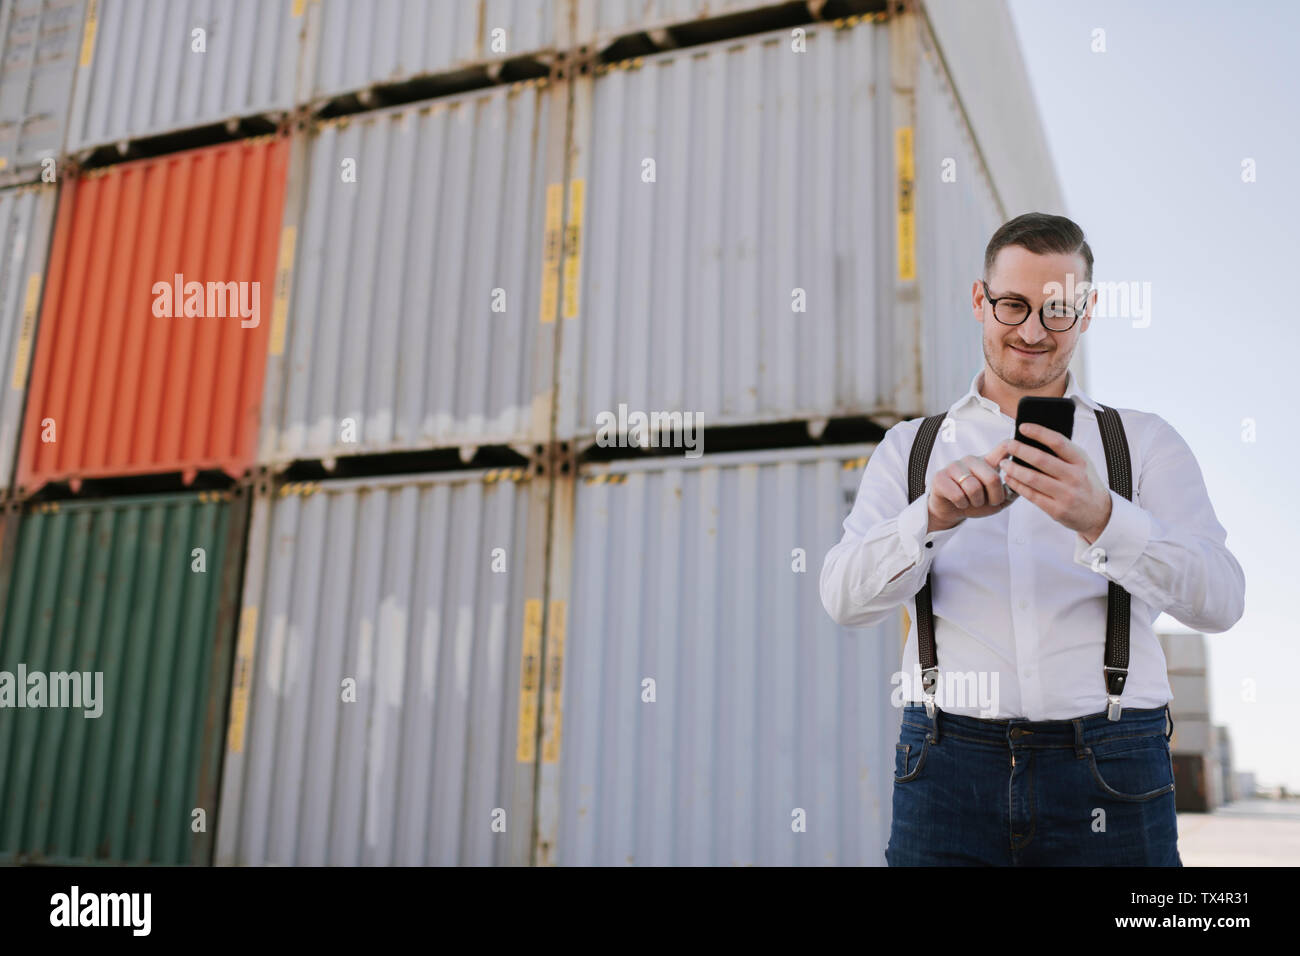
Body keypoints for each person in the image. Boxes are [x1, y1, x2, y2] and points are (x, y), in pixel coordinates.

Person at [820, 212, 1245, 866]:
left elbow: (1221, 601)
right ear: (978, 300)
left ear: (1088, 311)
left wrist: (1106, 519)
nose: (1032, 331)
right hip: (944, 769)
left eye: (1058, 310)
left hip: (1115, 766)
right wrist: (928, 517)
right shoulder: (911, 448)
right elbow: (843, 599)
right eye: (1012, 304)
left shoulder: (1143, 442)